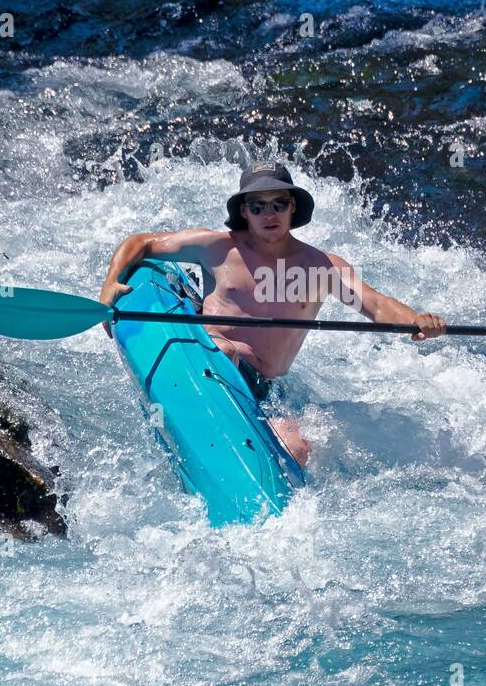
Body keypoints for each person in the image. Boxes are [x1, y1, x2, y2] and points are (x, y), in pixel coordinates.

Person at [99, 162, 446, 466]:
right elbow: (141, 243)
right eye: (258, 205)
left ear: (293, 207)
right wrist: (110, 285)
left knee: (297, 449)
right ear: (244, 211)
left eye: (279, 204)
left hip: (266, 388)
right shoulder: (217, 247)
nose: (270, 214)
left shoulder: (323, 267)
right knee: (228, 350)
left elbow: (377, 304)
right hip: (207, 362)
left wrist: (416, 321)